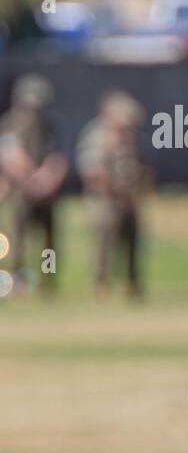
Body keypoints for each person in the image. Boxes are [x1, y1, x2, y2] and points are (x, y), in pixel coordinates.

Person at [76, 90, 148, 298]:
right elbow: (93, 172)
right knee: (104, 245)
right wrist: (114, 193)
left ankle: (132, 284)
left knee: (133, 243)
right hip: (105, 200)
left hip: (129, 198)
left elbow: (137, 167)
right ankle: (101, 285)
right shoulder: (97, 136)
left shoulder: (130, 138)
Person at [0, 74, 68, 293]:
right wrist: (31, 178)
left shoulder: (49, 125)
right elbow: (11, 155)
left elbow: (57, 156)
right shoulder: (10, 124)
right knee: (17, 238)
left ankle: (48, 280)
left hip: (46, 191)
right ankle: (16, 281)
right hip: (20, 191)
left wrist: (47, 178)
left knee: (48, 243)